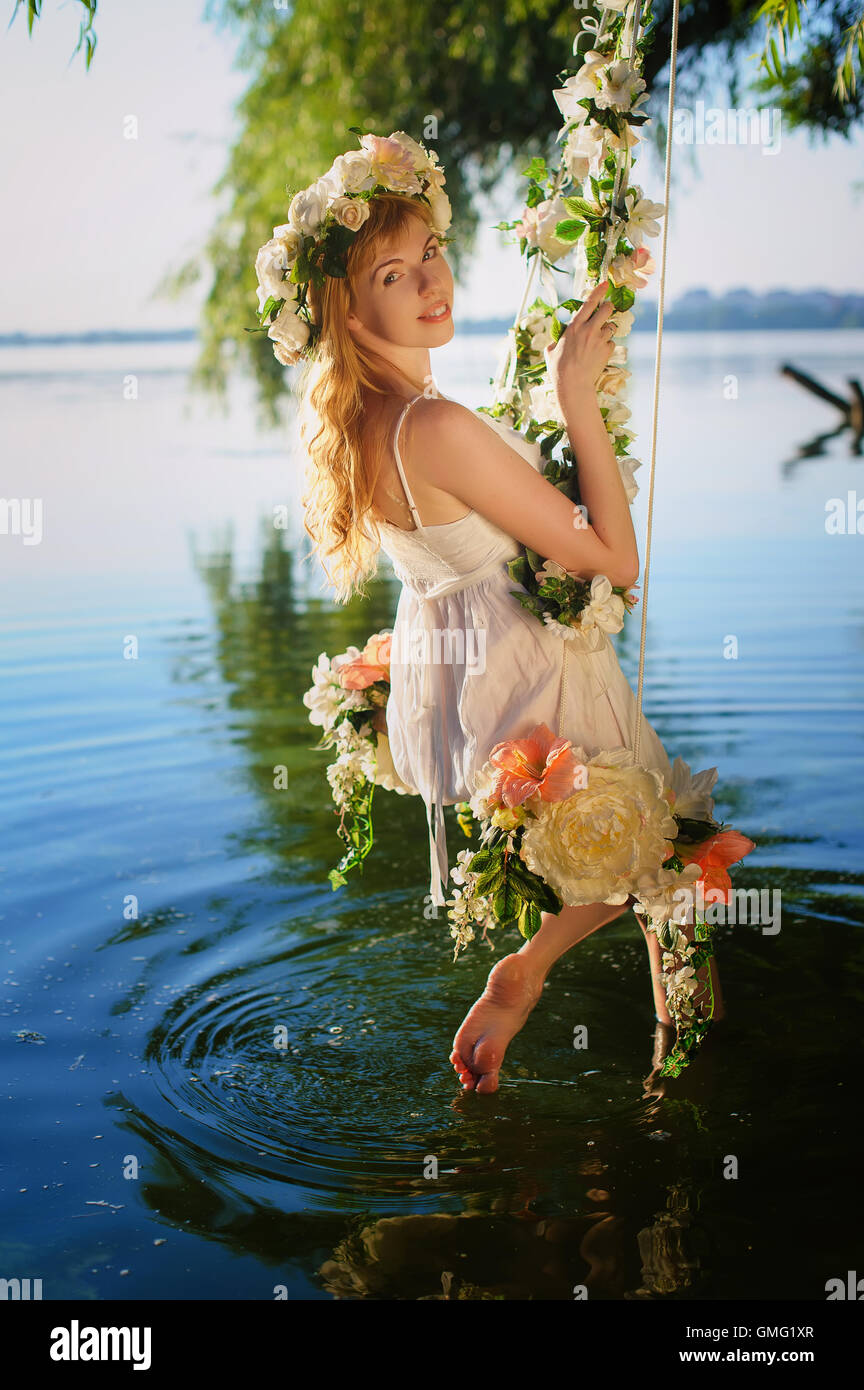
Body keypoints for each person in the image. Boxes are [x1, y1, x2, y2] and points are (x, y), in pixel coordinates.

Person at [296, 173, 723, 1096]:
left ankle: (667, 1071)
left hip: (472, 672)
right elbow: (615, 557)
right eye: (394, 277)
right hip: (534, 668)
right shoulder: (436, 425)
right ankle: (665, 1064)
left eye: (432, 258)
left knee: (663, 863)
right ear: (348, 310)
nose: (432, 283)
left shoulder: (372, 423)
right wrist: (576, 397)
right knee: (664, 852)